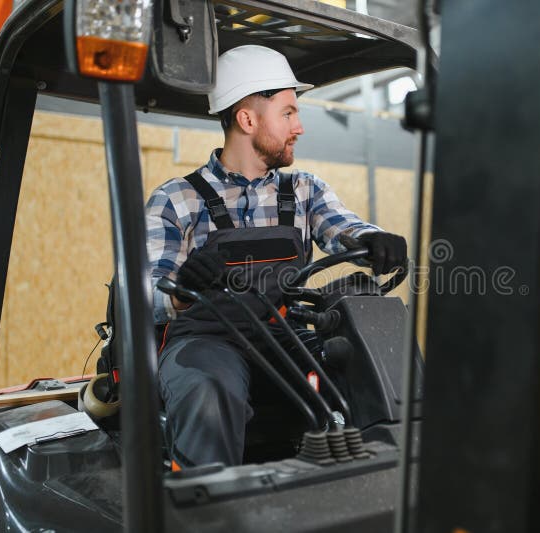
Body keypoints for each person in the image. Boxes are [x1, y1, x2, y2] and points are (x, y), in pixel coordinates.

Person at [145, 44, 407, 469]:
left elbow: (346, 228)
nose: (299, 127)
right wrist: (182, 290)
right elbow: (146, 291)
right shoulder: (176, 199)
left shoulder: (304, 189)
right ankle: (207, 508)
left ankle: (380, 480)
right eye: (288, 113)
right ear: (247, 119)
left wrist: (376, 242)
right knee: (207, 389)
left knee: (369, 355)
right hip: (208, 339)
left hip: (283, 331)